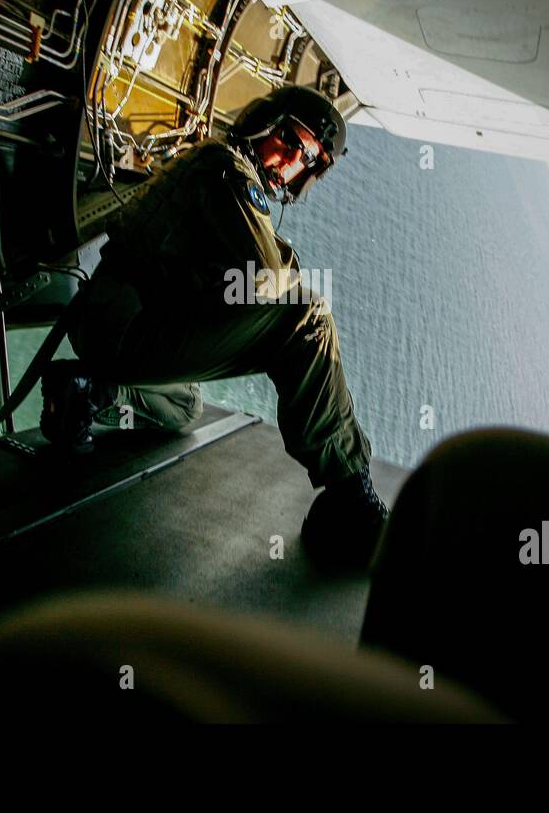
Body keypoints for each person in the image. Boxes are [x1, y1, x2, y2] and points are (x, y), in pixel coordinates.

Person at [42, 85, 387, 568]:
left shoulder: (220, 169)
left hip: (113, 322)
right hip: (126, 326)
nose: (292, 162)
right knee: (308, 318)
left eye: (308, 158)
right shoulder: (226, 167)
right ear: (266, 122)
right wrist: (286, 263)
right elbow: (266, 278)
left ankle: (89, 389)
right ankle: (352, 494)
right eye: (291, 141)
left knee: (184, 409)